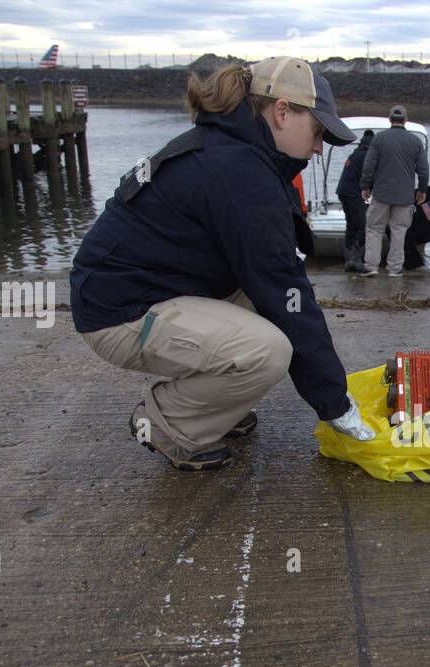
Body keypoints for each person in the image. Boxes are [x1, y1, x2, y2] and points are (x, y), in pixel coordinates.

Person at [69, 56, 376, 471]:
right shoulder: (239, 173)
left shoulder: (231, 149)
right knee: (267, 350)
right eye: (318, 131)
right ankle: (168, 423)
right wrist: (335, 404)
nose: (320, 147)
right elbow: (288, 295)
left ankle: (213, 408)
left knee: (269, 310)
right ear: (282, 112)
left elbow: (279, 285)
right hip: (118, 312)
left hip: (150, 288)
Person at [359, 104, 429, 278]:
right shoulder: (415, 142)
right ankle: (394, 269)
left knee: (374, 229)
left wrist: (365, 186)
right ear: (405, 120)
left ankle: (371, 266)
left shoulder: (379, 139)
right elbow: (423, 169)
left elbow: (369, 166)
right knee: (399, 231)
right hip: (405, 196)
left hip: (381, 194)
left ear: (390, 119)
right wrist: (422, 190)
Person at [336, 129, 375, 272]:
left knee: (351, 224)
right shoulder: (366, 156)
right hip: (353, 193)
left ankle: (348, 260)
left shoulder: (355, 154)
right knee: (364, 225)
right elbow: (369, 176)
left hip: (343, 192)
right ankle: (357, 260)